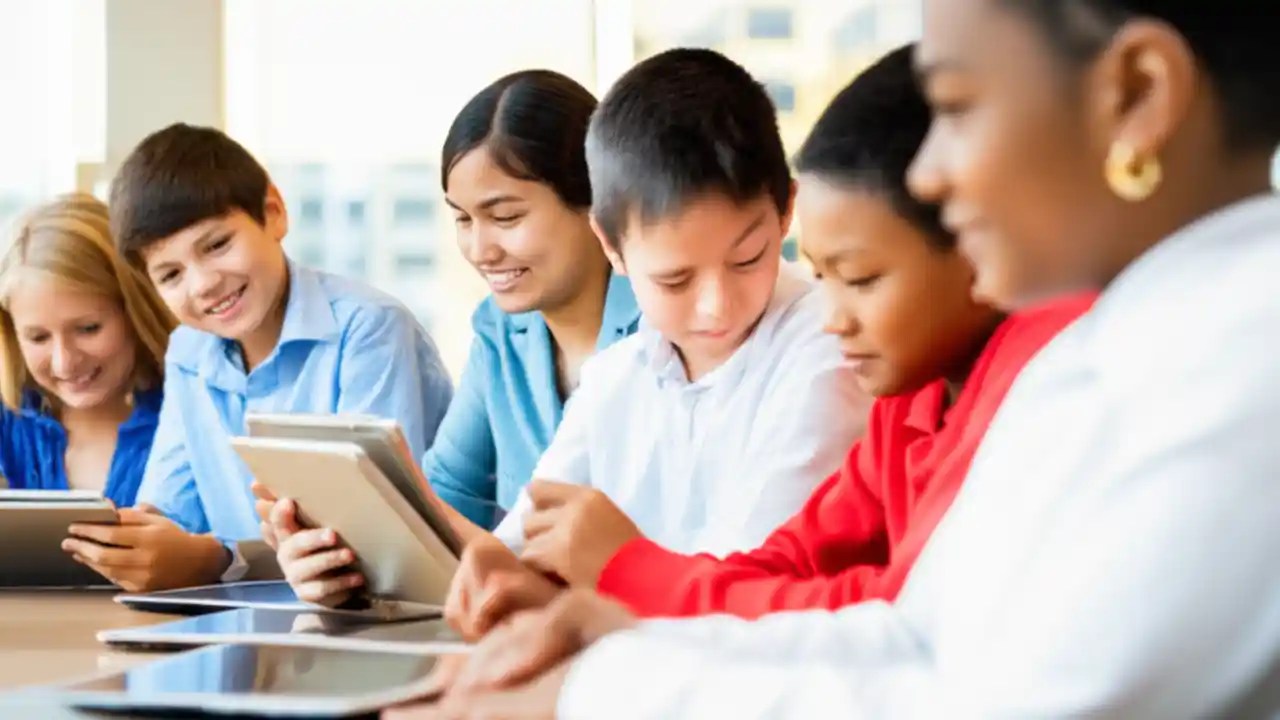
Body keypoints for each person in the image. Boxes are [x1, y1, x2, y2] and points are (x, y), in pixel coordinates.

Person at [406, 2, 1280, 717]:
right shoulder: (1123, 345)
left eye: (958, 108)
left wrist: (598, 688)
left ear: (1137, 93)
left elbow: (988, 702)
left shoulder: (1230, 368)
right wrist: (619, 635)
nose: (926, 175)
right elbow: (915, 634)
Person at [440, 44, 1093, 639]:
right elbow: (792, 558)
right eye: (825, 276)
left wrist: (625, 570)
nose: (834, 316)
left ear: (976, 240)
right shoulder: (905, 397)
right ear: (613, 248)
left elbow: (896, 617)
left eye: (860, 279)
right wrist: (568, 587)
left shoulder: (1028, 372)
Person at [271, 49, 869, 609]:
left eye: (748, 259)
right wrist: (356, 550)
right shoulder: (620, 373)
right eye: (675, 280)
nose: (715, 308)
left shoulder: (831, 345)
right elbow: (510, 564)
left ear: (786, 211)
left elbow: (754, 590)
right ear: (612, 246)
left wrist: (614, 563)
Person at [60, 123, 454, 593]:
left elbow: (378, 547)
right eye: (170, 275)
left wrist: (217, 560)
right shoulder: (189, 351)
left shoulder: (370, 329)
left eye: (217, 246)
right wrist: (139, 544)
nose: (203, 284)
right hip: (255, 614)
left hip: (394, 610)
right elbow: (169, 512)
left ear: (273, 214)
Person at [0, 193, 174, 507]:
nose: (64, 363)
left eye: (88, 329)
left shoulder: (191, 415)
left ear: (136, 311)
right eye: (38, 338)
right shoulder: (10, 424)